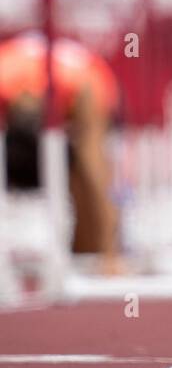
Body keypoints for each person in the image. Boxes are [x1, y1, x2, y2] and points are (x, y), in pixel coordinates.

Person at [0, 30, 124, 274]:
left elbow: (96, 169)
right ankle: (102, 251)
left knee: (90, 164)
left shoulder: (88, 81)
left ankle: (98, 250)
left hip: (76, 113)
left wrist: (110, 253)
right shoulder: (11, 70)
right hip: (20, 131)